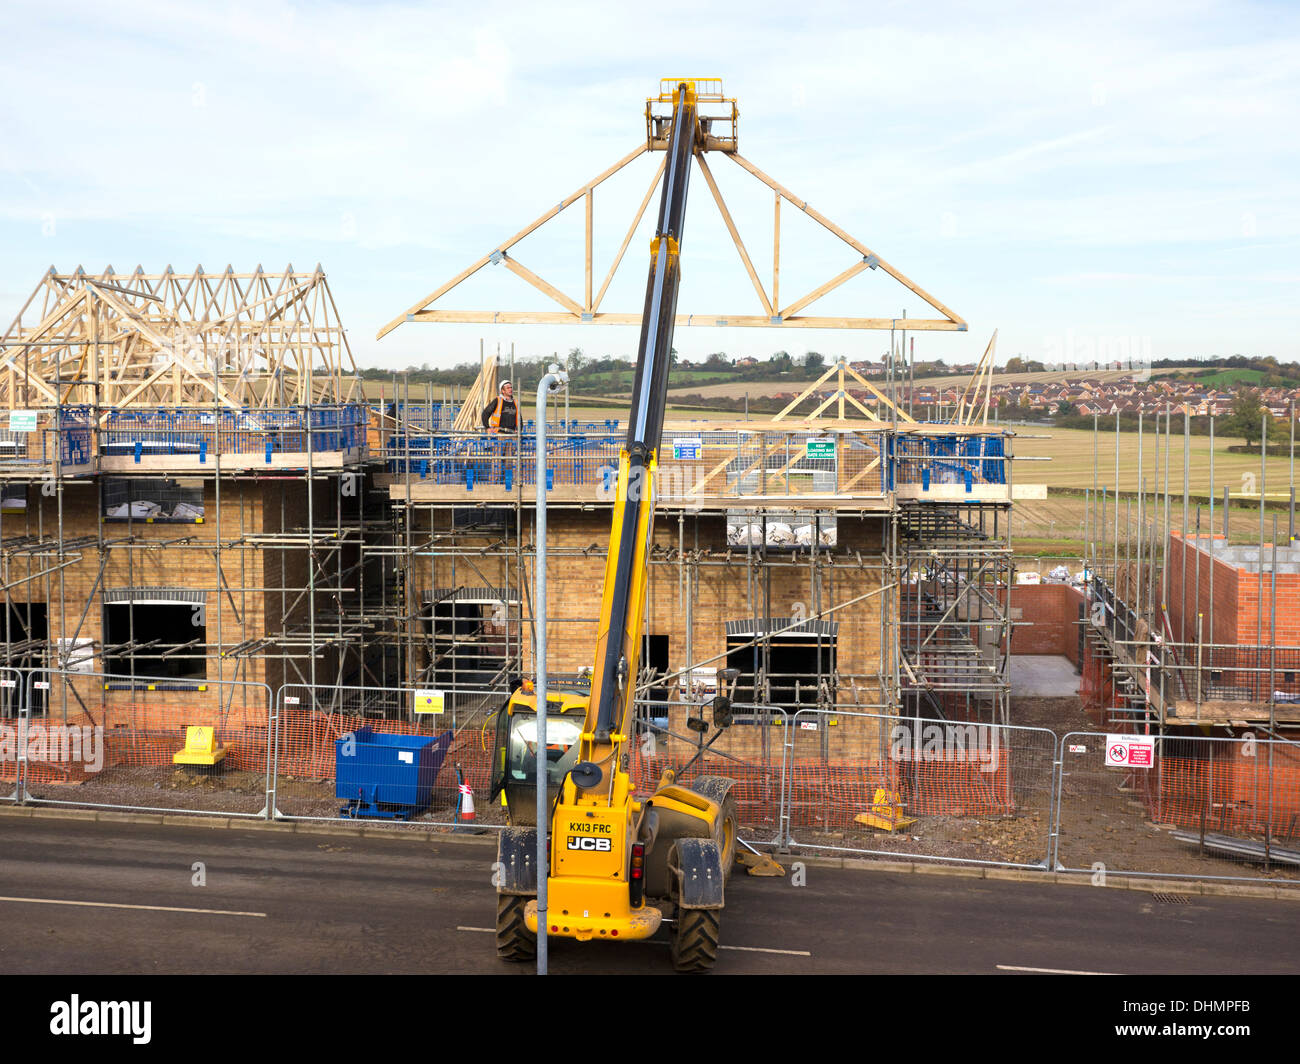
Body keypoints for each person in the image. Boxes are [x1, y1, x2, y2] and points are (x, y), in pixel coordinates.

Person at [480, 380, 519, 483]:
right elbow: (485, 413)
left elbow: (519, 418)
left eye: (511, 387)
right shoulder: (498, 400)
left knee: (509, 461)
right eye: (508, 388)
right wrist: (487, 427)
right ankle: (494, 482)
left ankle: (509, 482)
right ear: (502, 390)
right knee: (497, 460)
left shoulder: (515, 402)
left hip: (511, 435)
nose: (510, 389)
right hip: (499, 434)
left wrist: (519, 430)